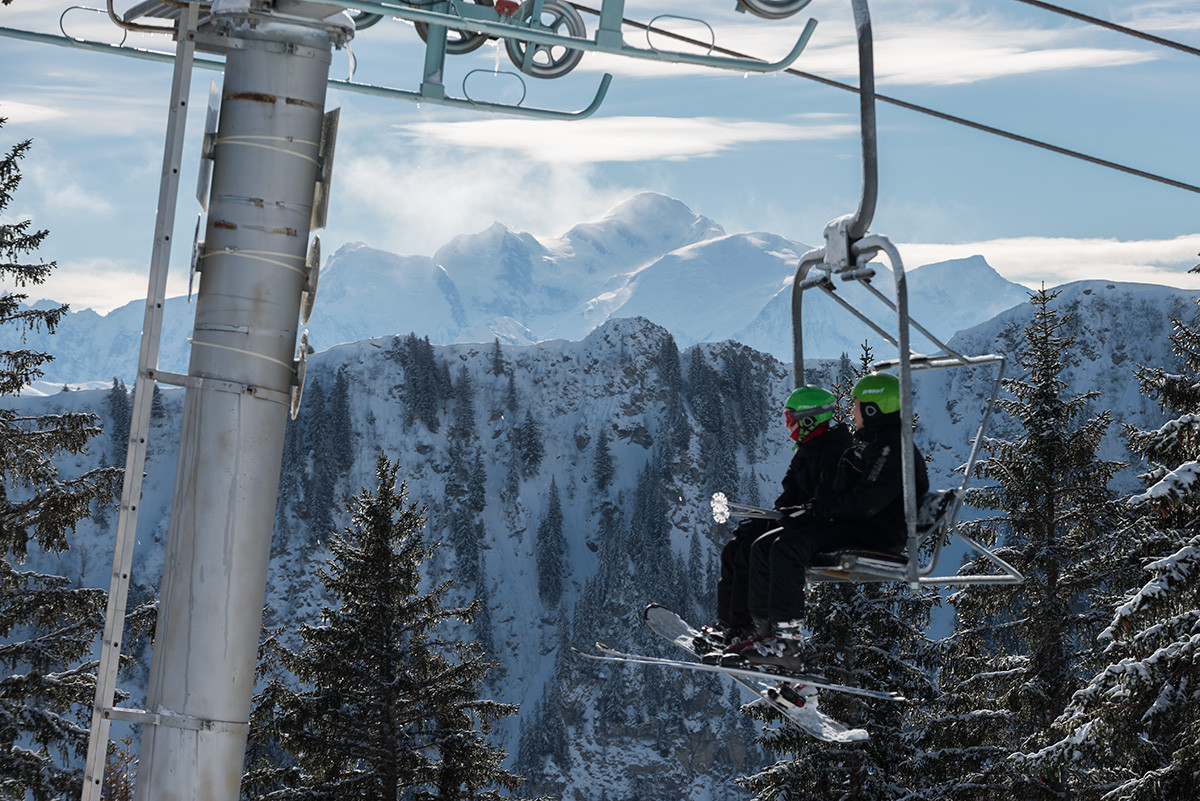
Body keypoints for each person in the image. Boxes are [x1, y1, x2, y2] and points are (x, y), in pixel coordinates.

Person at [726, 371, 929, 668]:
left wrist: (814, 511)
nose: (852, 411)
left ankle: (786, 642)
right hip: (860, 526)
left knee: (788, 547)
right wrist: (810, 509)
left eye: (857, 404)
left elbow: (867, 501)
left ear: (873, 407)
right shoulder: (878, 444)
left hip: (877, 533)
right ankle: (765, 633)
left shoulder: (891, 447)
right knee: (764, 545)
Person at [693, 385, 851, 653]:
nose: (788, 425)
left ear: (809, 419)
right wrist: (776, 515)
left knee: (752, 549)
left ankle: (744, 627)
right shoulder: (807, 450)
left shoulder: (833, 451)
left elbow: (827, 499)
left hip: (820, 527)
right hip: (801, 520)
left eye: (791, 419)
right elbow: (790, 495)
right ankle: (728, 622)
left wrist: (794, 514)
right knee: (737, 544)